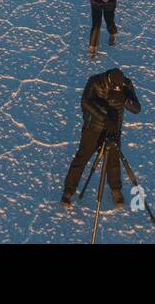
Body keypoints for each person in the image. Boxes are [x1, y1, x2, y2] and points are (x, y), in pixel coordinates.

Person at [61, 67, 142, 207]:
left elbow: (136, 109)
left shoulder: (125, 84)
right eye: (115, 88)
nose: (117, 90)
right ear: (109, 82)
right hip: (93, 128)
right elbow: (85, 103)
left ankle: (116, 190)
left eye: (119, 88)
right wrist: (105, 116)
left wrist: (125, 99)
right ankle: (69, 190)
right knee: (82, 157)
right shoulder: (95, 82)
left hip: (113, 129)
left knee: (113, 160)